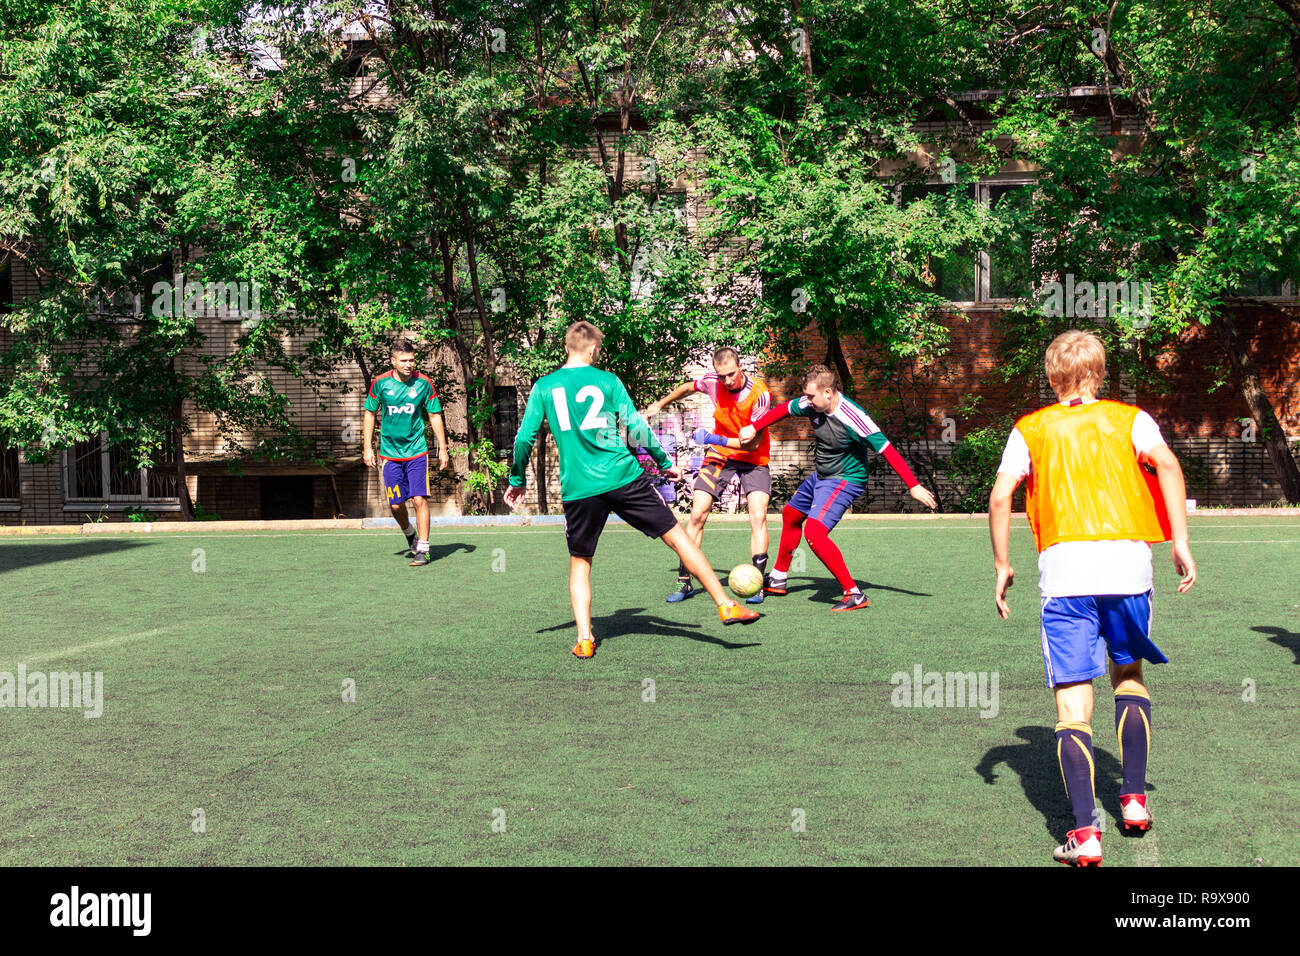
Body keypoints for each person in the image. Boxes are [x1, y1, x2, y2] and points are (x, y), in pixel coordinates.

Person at [987, 329, 1196, 867]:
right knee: (1129, 676)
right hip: (1128, 570)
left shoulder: (1030, 428)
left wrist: (1002, 565)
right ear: (1100, 374)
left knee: (1072, 704)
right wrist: (1181, 542)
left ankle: (1085, 834)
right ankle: (1132, 800)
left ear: (1052, 377)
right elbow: (1168, 464)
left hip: (1066, 576)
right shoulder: (1131, 418)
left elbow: (1000, 494)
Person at [504, 321, 760, 659]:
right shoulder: (608, 381)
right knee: (680, 540)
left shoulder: (544, 386)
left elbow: (524, 438)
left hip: (580, 489)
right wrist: (662, 461)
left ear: (566, 347)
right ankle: (725, 604)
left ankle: (584, 638)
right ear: (594, 350)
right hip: (623, 478)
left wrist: (517, 479)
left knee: (580, 563)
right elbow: (636, 426)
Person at [734, 364, 938, 610]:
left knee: (815, 533)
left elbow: (887, 450)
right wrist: (754, 426)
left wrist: (913, 486)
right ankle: (778, 577)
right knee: (791, 514)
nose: (806, 401)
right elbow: (784, 409)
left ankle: (853, 593)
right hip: (822, 475)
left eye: (811, 396)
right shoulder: (812, 404)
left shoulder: (854, 418)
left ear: (828, 392)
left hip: (846, 478)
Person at [644, 348, 773, 604]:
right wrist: (660, 403)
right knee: (697, 514)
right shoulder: (712, 382)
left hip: (753, 458)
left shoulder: (760, 395)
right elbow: (686, 387)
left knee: (758, 516)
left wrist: (713, 438)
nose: (727, 381)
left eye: (731, 374)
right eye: (721, 375)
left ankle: (758, 582)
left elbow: (752, 445)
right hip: (720, 456)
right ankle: (684, 582)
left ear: (741, 367)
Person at [362, 338, 450, 566]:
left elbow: (434, 415)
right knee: (396, 505)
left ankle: (423, 548)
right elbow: (370, 414)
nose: (409, 364)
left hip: (417, 451)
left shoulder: (424, 383)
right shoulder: (380, 384)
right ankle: (409, 532)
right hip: (390, 454)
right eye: (404, 360)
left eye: (412, 360)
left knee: (419, 498)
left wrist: (443, 449)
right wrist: (367, 447)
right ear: (393, 361)